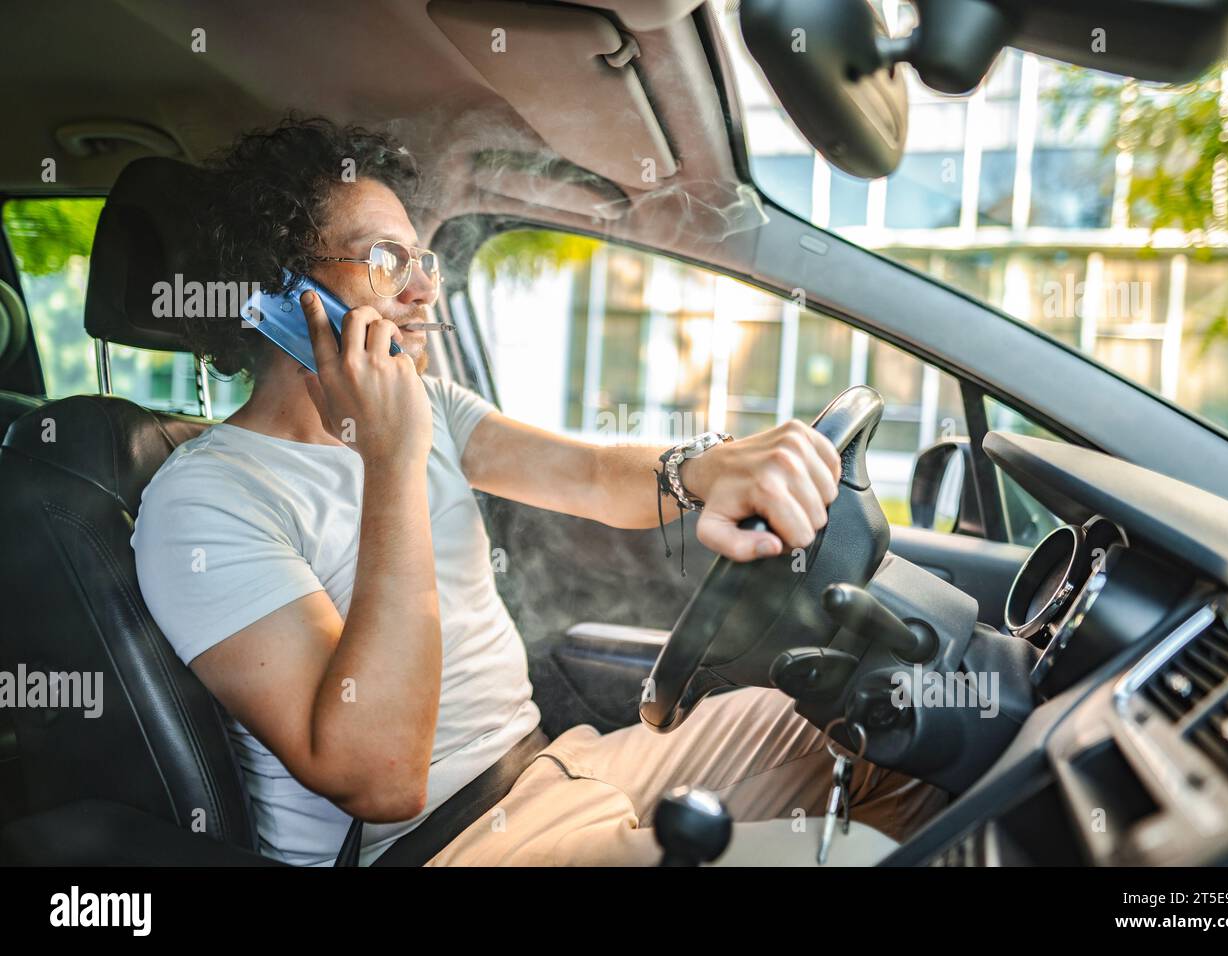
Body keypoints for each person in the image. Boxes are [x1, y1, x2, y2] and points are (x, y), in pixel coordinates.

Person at [132, 116, 947, 866]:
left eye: (426, 262)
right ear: (280, 296)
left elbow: (592, 475)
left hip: (555, 765)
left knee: (891, 732)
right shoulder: (206, 502)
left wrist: (708, 465)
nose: (425, 290)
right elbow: (379, 779)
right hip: (441, 846)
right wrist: (392, 462)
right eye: (387, 262)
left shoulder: (433, 408)